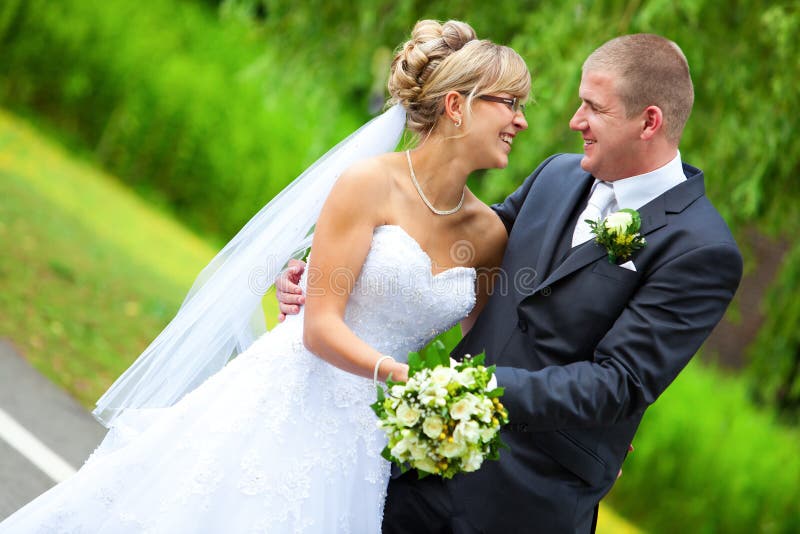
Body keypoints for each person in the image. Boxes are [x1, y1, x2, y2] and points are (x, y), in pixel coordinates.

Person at [0, 20, 531, 533]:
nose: (521, 121)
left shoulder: (488, 236)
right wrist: (404, 380)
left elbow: (482, 355)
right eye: (510, 103)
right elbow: (319, 327)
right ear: (456, 105)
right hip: (289, 397)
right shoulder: (369, 184)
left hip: (366, 443)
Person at [277, 33, 743, 533]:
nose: (575, 121)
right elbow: (450, 243)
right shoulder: (557, 175)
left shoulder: (701, 248)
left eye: (593, 107)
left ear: (649, 122)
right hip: (419, 465)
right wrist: (322, 269)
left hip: (531, 500)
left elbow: (618, 383)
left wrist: (466, 389)